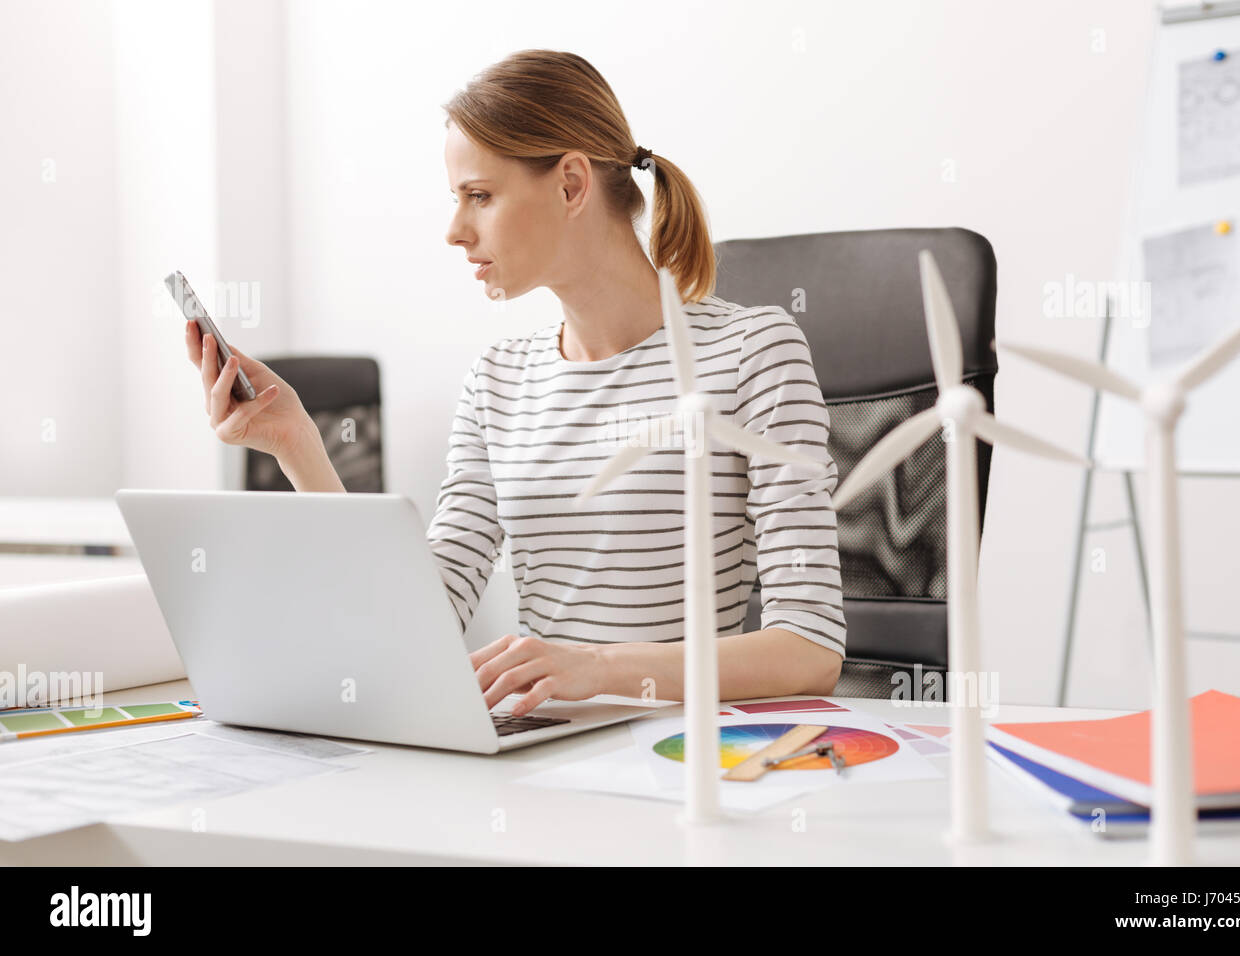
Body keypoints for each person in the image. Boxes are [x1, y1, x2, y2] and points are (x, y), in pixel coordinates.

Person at [184, 49, 846, 718]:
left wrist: (594, 669)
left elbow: (809, 650)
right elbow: (415, 621)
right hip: (541, 755)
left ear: (570, 185)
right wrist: (298, 444)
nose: (454, 230)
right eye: (456, 199)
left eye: (480, 196)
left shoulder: (753, 352)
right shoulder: (498, 380)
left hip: (679, 755)